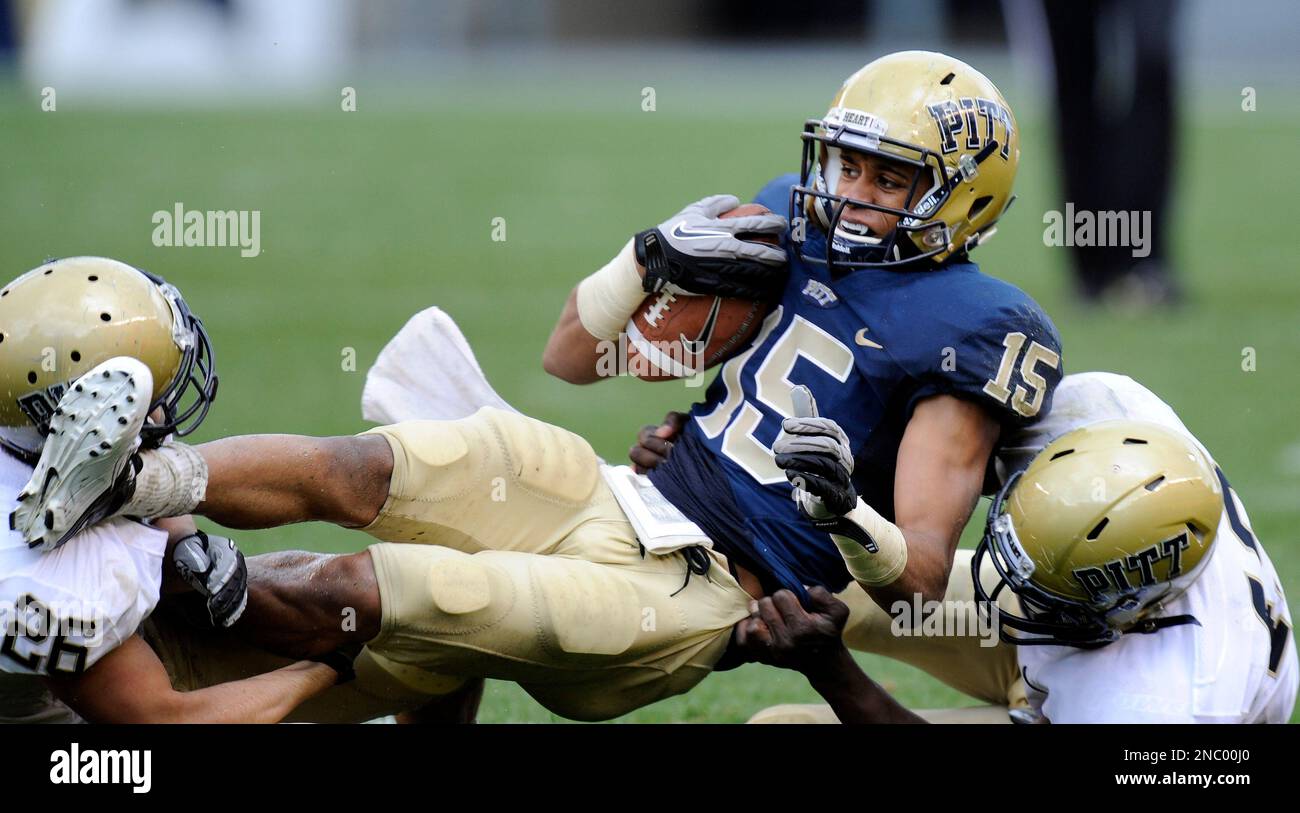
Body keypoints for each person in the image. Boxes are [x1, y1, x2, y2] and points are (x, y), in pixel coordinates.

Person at [16, 50, 1063, 721]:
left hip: (691, 594)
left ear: (961, 200)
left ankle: (98, 637)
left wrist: (845, 515)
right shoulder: (792, 220)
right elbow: (575, 358)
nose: (853, 195)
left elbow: (919, 577)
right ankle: (124, 490)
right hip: (621, 491)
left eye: (890, 179)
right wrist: (646, 257)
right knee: (360, 469)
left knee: (351, 595)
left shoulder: (973, 332)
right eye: (846, 165)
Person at [718, 372, 1297, 723]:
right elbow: (956, 449)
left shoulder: (1157, 704)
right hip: (1091, 636)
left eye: (1041, 585)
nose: (1010, 587)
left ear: (1121, 604)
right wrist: (842, 497)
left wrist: (832, 671)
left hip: (1118, 693)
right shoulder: (1104, 411)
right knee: (839, 583)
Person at [0, 257, 346, 723]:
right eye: (143, 401)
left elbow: (97, 477)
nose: (161, 413)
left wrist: (183, 538)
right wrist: (323, 671)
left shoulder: (23, 442)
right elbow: (168, 720)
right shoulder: (45, 582)